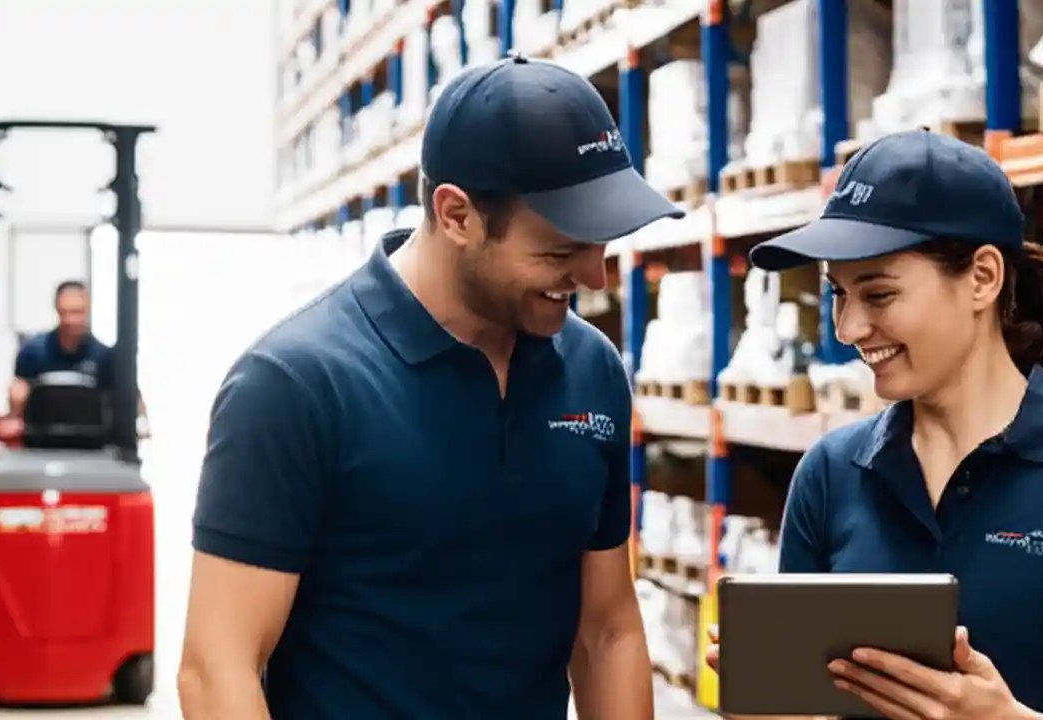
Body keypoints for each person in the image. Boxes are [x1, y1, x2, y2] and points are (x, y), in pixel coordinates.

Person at [177, 52, 685, 720]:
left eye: (603, 246)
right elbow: (217, 669)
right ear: (456, 215)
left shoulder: (591, 370)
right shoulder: (295, 385)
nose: (595, 279)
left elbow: (606, 629)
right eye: (561, 251)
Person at [706, 129, 1043, 719]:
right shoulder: (830, 475)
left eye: (879, 295)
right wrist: (761, 698)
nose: (849, 327)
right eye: (838, 294)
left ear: (983, 278)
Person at [10, 280, 115, 415]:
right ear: (57, 310)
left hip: (90, 433)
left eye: (76, 312)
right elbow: (18, 391)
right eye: (64, 312)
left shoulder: (104, 356)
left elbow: (126, 399)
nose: (70, 320)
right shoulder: (33, 351)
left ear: (88, 310)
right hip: (42, 431)